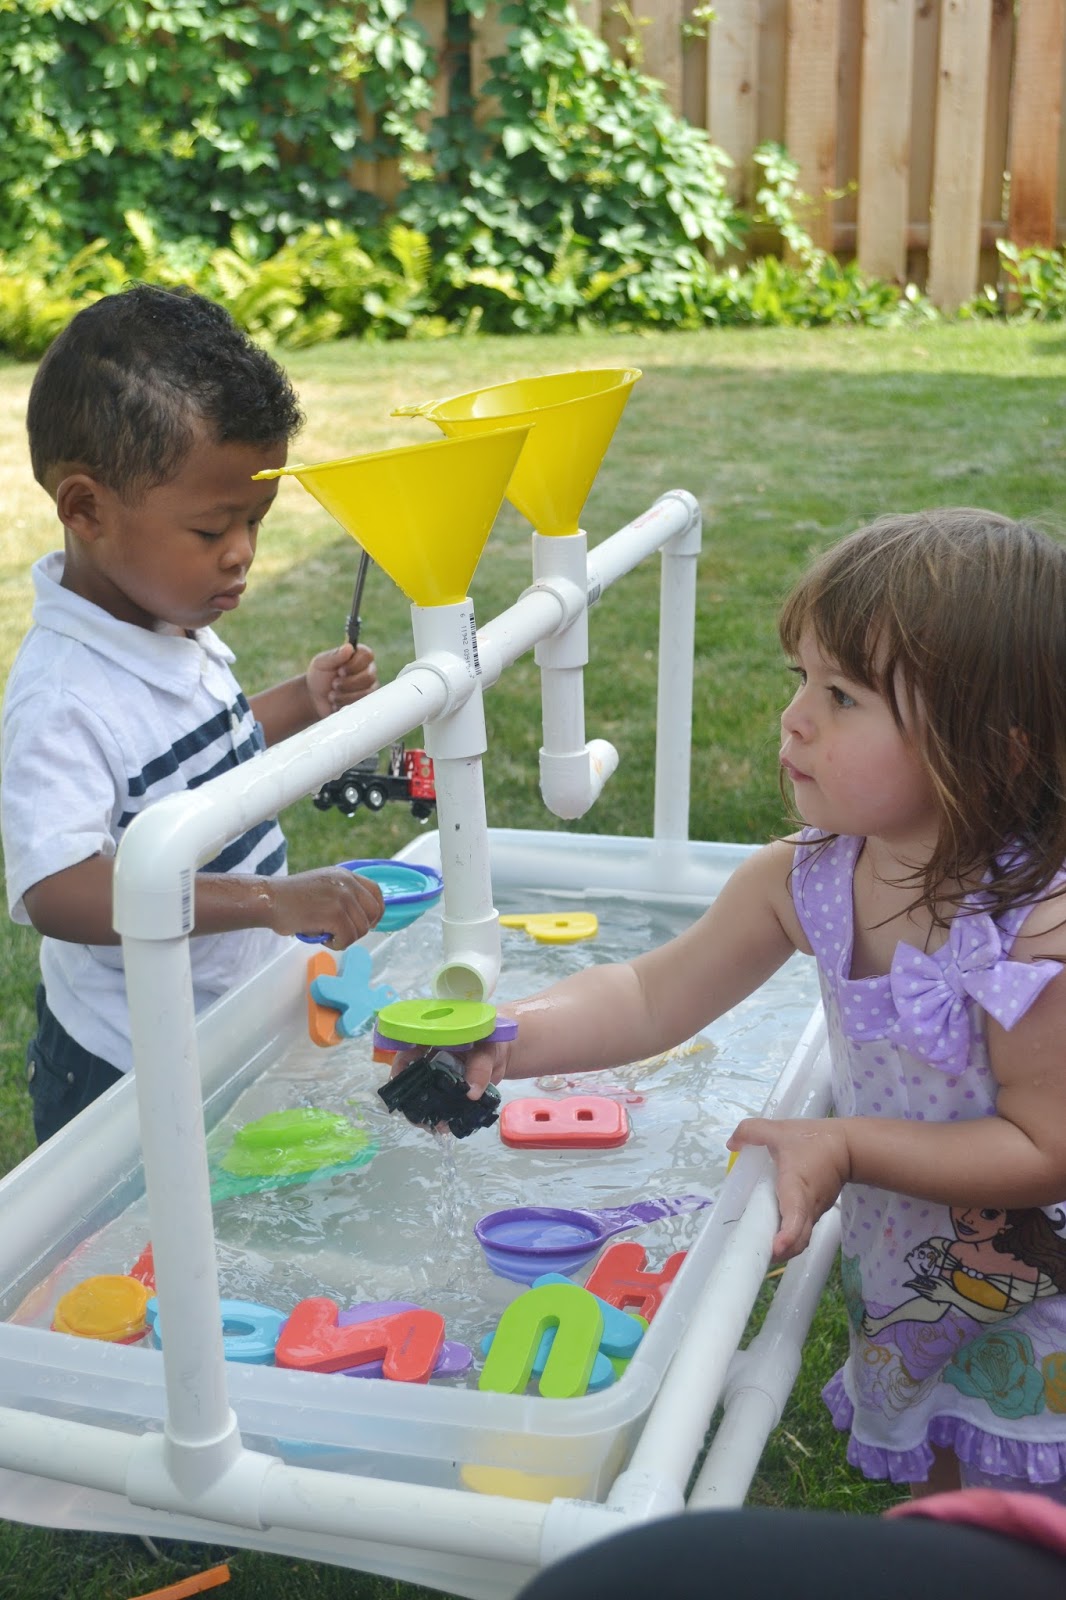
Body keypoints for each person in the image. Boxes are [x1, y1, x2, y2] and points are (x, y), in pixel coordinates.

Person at [452, 508, 1066, 1502]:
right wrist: (514, 1034)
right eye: (800, 679)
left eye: (843, 695)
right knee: (949, 1497)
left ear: (992, 753)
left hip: (1042, 1302)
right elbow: (649, 993)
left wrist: (844, 1144)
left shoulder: (1033, 931)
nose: (795, 719)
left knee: (1026, 1511)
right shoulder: (809, 877)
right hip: (919, 1280)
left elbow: (1044, 1147)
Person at [2, 283, 385, 1145]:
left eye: (256, 520)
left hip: (218, 1014)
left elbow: (193, 758)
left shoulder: (162, 617)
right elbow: (59, 889)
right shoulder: (64, 695)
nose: (242, 552)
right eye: (213, 530)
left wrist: (302, 700)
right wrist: (268, 900)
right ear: (86, 509)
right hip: (124, 1063)